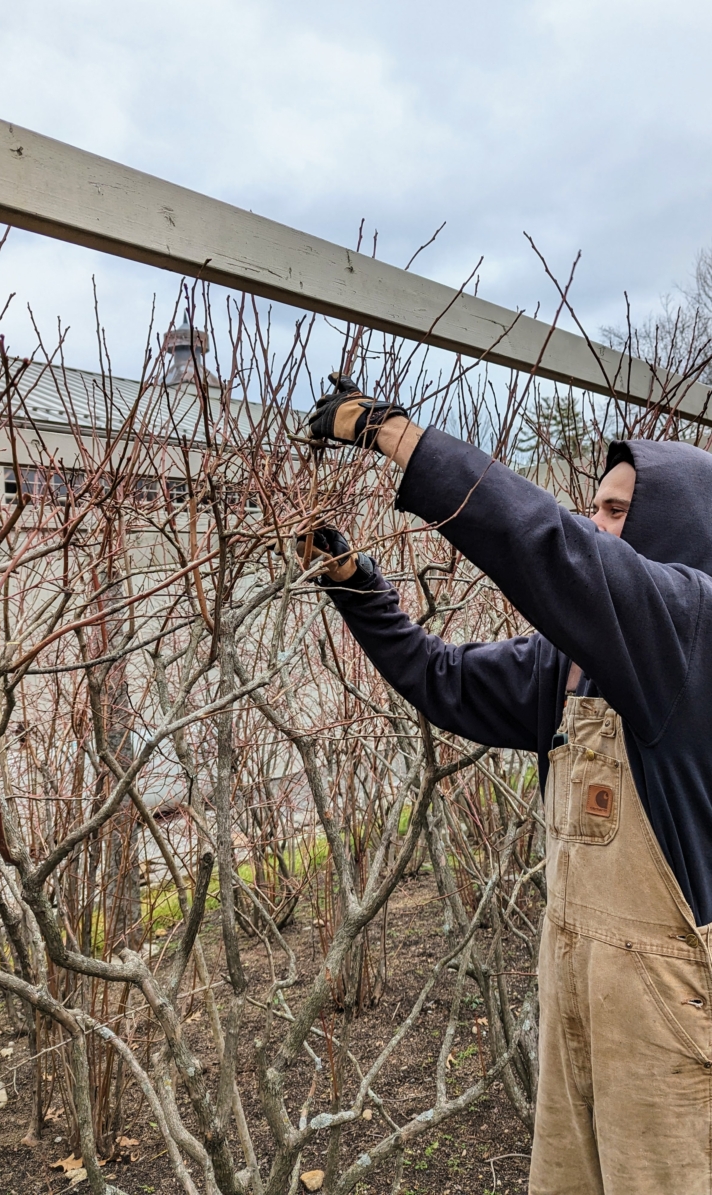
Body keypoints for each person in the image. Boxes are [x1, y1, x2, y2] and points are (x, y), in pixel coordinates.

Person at [303, 373, 712, 1195]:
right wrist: (356, 586)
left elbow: (547, 547)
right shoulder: (574, 667)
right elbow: (443, 677)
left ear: (683, 524)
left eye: (619, 510)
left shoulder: (690, 626)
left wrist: (398, 436)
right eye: (595, 506)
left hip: (668, 1011)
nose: (597, 524)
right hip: (576, 998)